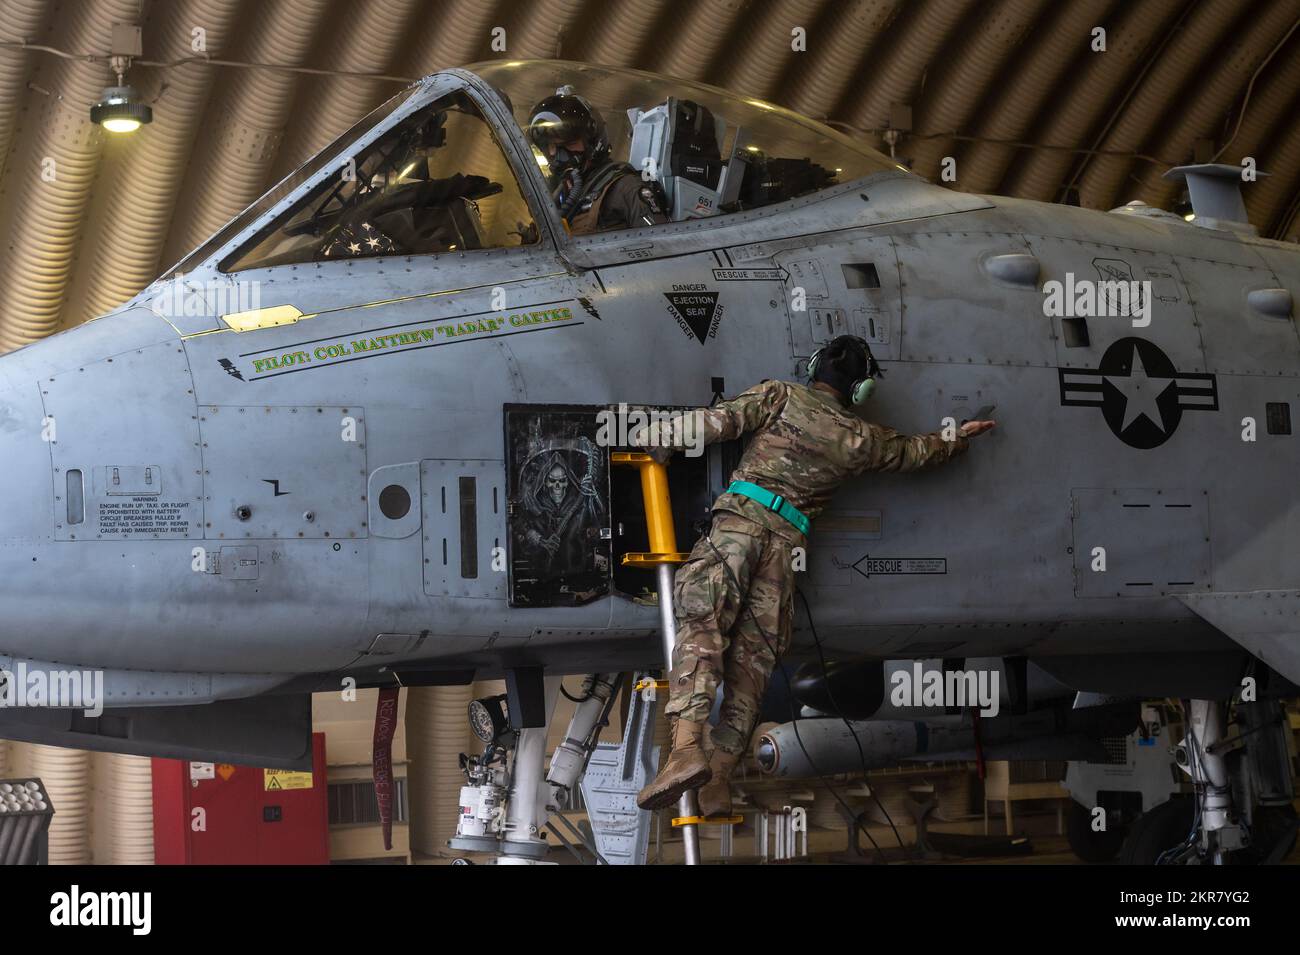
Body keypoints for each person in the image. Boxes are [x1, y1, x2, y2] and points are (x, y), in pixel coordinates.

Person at [633, 336, 996, 814]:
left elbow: (718, 423)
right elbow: (915, 453)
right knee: (752, 665)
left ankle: (685, 751)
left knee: (702, 632)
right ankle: (718, 779)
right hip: (785, 553)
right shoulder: (861, 438)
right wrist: (957, 438)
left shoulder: (782, 396)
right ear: (861, 390)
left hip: (738, 531)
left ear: (813, 369)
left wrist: (660, 435)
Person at [526, 86, 666, 234]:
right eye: (551, 146)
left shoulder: (625, 188)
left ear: (594, 142)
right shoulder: (557, 195)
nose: (559, 155)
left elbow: (661, 244)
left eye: (570, 143)